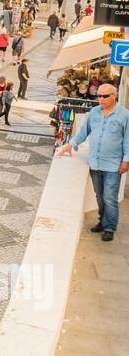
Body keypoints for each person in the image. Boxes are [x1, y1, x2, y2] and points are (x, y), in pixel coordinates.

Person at [59, 83, 129, 241]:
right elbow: (83, 132)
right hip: (95, 163)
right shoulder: (94, 112)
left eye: (105, 96)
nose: (101, 99)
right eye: (99, 96)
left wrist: (126, 161)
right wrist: (70, 145)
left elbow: (128, 140)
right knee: (99, 196)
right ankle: (102, 222)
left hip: (113, 165)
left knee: (109, 197)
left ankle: (110, 227)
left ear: (114, 96)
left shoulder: (124, 115)